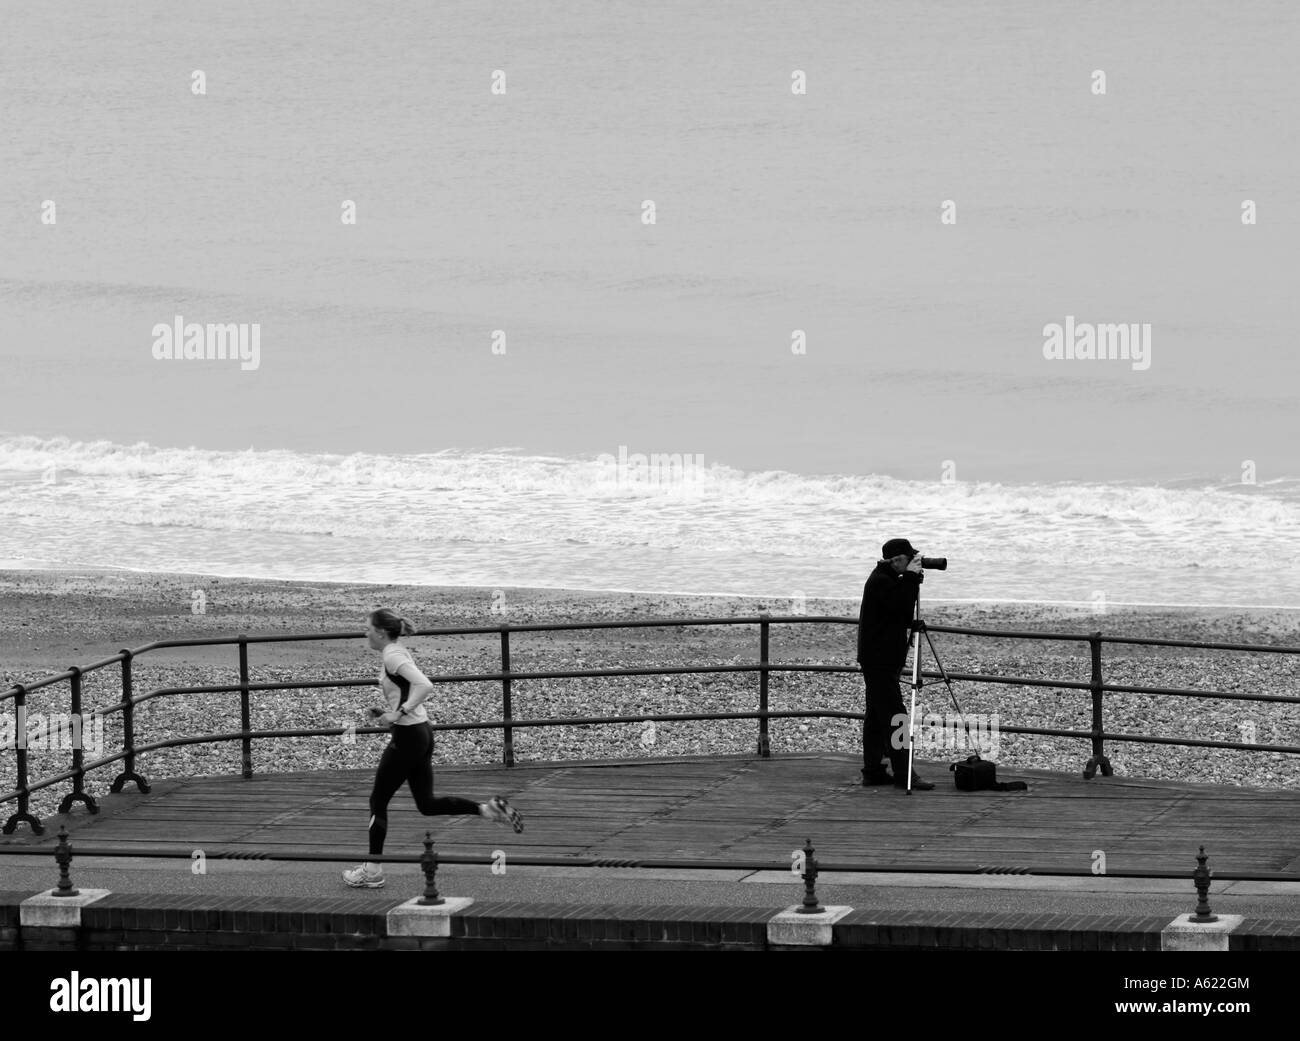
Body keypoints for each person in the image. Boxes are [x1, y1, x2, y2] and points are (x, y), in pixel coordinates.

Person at [343, 608, 524, 889]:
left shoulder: (392, 655)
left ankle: (372, 870)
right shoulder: (396, 651)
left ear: (380, 632)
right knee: (426, 805)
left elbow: (424, 685)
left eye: (367, 628)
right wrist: (388, 712)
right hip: (421, 732)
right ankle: (487, 810)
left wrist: (398, 712)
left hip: (409, 737)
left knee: (378, 801)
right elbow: (409, 689)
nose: (364, 632)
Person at [856, 539, 935, 791]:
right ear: (897, 560)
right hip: (880, 660)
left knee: (877, 717)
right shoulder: (882, 581)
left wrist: (909, 579)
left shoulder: (885, 577)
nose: (913, 562)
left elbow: (897, 610)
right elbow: (901, 608)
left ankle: (873, 770)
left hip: (878, 659)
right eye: (909, 559)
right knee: (895, 717)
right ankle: (904, 774)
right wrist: (911, 579)